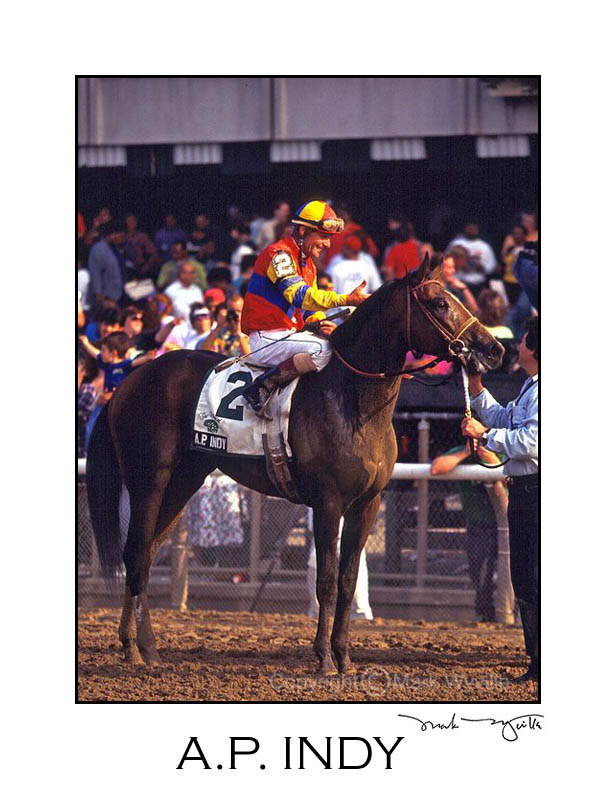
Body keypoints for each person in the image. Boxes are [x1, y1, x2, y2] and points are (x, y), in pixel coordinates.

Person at [461, 316, 539, 682]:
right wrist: (476, 385)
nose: (518, 346)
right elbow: (506, 419)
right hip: (526, 491)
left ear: (534, 349)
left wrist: (486, 433)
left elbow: (531, 442)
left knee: (534, 577)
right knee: (525, 577)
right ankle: (537, 659)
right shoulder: (530, 386)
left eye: (523, 341)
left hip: (536, 491)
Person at [240, 200, 369, 415]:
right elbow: (299, 296)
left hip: (287, 336)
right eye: (323, 236)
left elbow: (308, 310)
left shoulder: (308, 265)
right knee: (321, 350)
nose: (328, 244)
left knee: (336, 343)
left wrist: (321, 323)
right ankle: (261, 387)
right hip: (267, 338)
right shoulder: (278, 255)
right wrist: (346, 299)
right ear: (302, 230)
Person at [431, 442, 506, 622]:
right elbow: (436, 468)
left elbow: (510, 477)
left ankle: (514, 616)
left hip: (507, 525)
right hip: (478, 526)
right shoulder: (461, 452)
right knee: (479, 574)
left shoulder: (504, 448)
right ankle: (485, 617)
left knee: (512, 575)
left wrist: (488, 456)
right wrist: (465, 453)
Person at [79, 331, 155, 449]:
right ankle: (88, 450)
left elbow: (136, 362)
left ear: (113, 353)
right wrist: (85, 342)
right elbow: (95, 353)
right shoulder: (106, 365)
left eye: (104, 350)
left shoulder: (124, 365)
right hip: (105, 402)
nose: (101, 353)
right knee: (92, 426)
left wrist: (148, 357)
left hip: (119, 402)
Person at [447, 222, 498, 296]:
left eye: (474, 228)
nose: (472, 230)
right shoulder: (455, 243)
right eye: (470, 228)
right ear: (465, 228)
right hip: (458, 283)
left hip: (478, 284)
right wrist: (459, 265)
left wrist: (480, 267)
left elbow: (491, 267)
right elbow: (445, 261)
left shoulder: (485, 246)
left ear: (478, 229)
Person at [322, 201, 379, 267]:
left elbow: (372, 251)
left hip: (351, 271)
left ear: (349, 214)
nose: (342, 214)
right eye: (339, 211)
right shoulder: (330, 229)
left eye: (344, 211)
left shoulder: (357, 230)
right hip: (331, 270)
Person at [86, 220, 127, 305]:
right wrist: (99, 297)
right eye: (120, 236)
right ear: (112, 235)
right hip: (107, 297)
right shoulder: (98, 249)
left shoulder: (118, 248)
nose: (122, 239)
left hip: (120, 294)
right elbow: (95, 275)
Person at [124, 213, 158, 279]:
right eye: (128, 221)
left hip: (140, 270)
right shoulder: (122, 237)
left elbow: (154, 254)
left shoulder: (142, 237)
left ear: (136, 223)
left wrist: (146, 267)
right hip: (125, 270)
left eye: (133, 221)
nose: (131, 223)